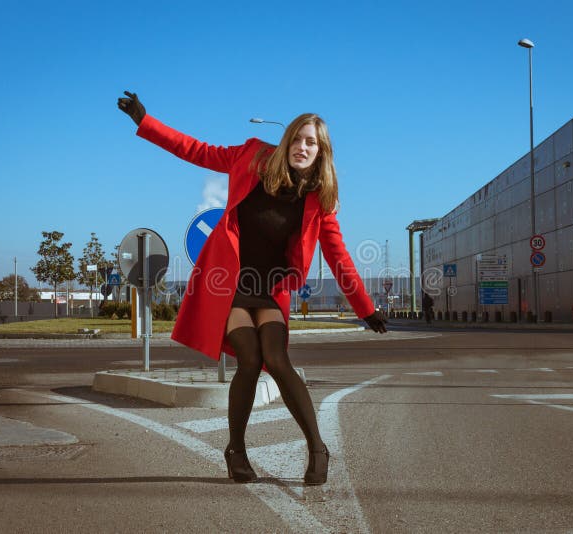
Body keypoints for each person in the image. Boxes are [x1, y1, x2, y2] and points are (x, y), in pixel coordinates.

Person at [117, 91, 388, 485]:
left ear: (322, 151)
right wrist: (147, 122)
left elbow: (339, 257)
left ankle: (317, 447)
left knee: (276, 359)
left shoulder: (318, 201)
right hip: (231, 286)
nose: (302, 146)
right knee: (248, 358)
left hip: (269, 290)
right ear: (287, 141)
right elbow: (197, 150)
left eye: (311, 142)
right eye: (297, 138)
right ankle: (236, 449)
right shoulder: (251, 157)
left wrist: (365, 308)